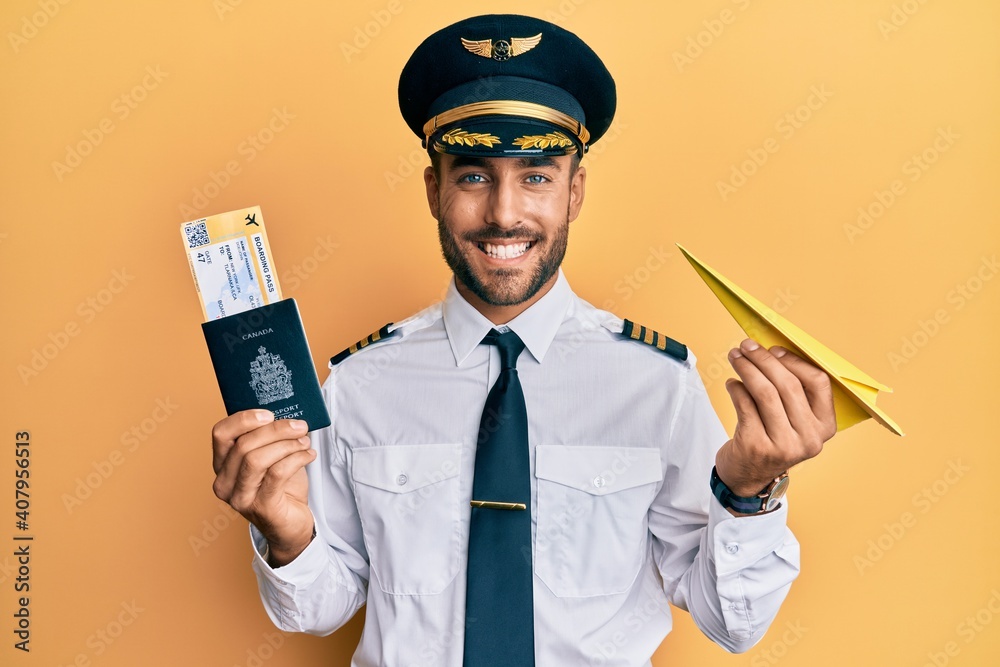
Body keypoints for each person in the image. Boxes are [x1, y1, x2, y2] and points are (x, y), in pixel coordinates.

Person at [209, 14, 837, 667]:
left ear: (575, 192)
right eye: (473, 176)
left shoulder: (658, 381)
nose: (504, 214)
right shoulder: (359, 381)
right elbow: (320, 607)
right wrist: (288, 534)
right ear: (434, 190)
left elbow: (732, 622)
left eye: (536, 175)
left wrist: (747, 491)